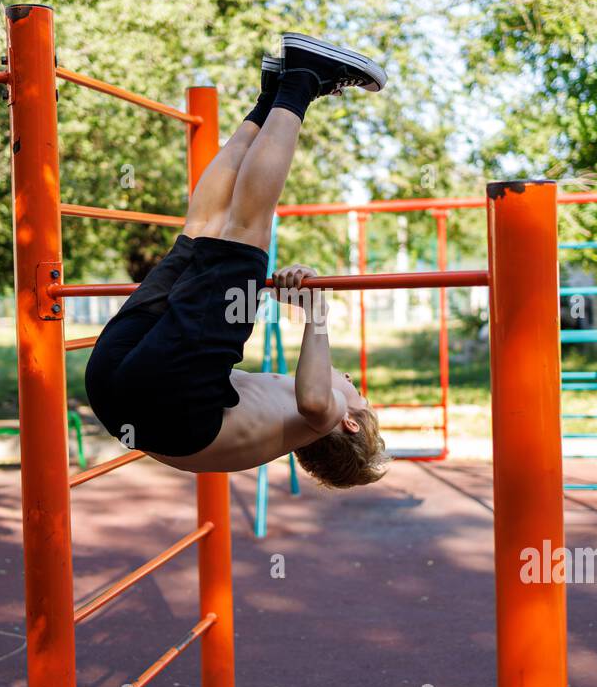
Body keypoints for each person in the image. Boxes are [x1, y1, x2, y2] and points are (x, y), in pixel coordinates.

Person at [84, 33, 390, 487]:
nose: (349, 381)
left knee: (246, 230)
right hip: (116, 390)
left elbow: (314, 399)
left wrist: (317, 314)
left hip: (168, 401)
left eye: (359, 394)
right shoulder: (272, 419)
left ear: (349, 423)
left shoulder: (323, 416)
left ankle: (304, 77)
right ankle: (272, 95)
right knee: (201, 230)